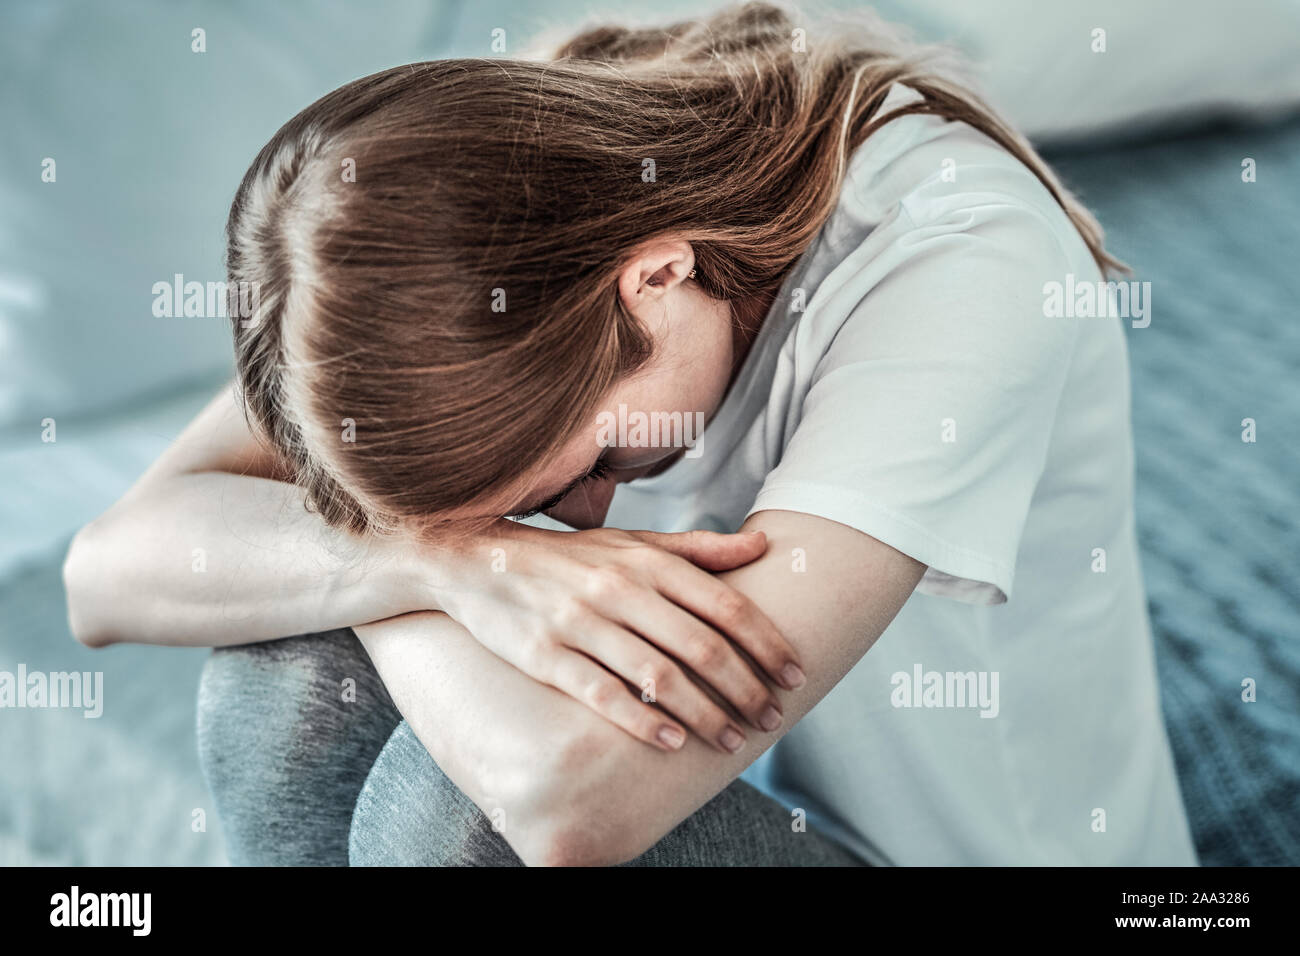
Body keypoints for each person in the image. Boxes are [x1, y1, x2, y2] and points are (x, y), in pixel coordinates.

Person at [63, 3, 1197, 866]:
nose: (580, 524)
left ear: (655, 276)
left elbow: (569, 805)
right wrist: (442, 558)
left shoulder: (960, 261)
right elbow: (105, 573)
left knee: (460, 810)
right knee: (285, 668)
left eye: (599, 460)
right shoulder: (482, 227)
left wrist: (400, 571)